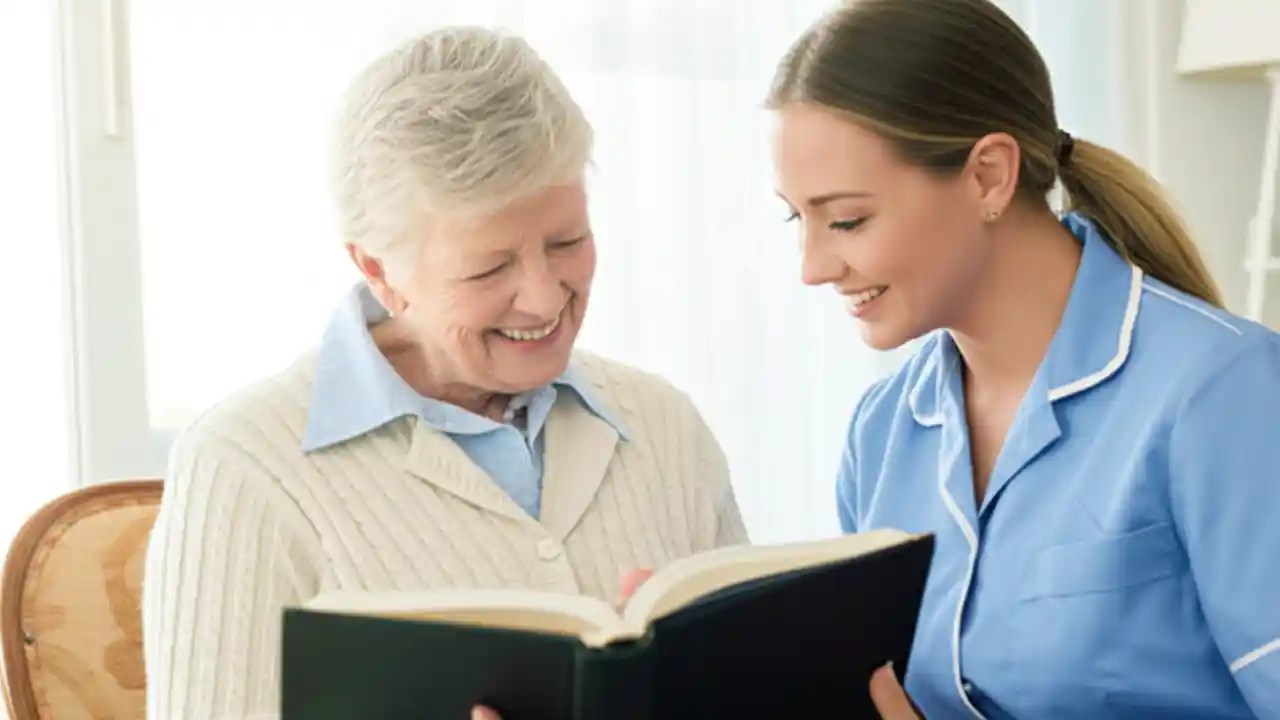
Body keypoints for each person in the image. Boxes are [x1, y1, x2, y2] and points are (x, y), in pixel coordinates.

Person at [141, 27, 747, 719]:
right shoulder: (247, 466)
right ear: (377, 268)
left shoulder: (663, 425)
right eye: (489, 268)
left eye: (567, 241)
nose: (547, 297)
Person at [767, 0, 1280, 717]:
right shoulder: (880, 435)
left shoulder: (1222, 393)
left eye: (848, 219)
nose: (814, 266)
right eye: (799, 218)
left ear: (988, 176)